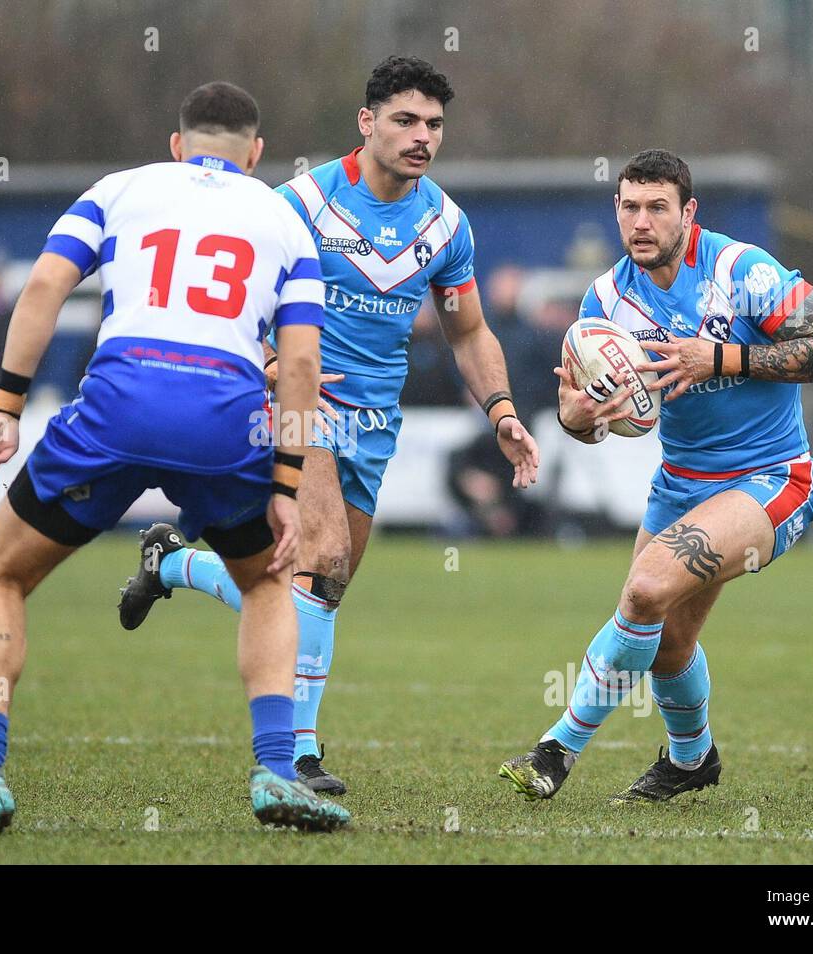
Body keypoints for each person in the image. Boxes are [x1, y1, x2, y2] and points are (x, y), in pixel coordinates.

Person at [0, 81, 349, 833]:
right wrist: (285, 483)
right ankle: (276, 772)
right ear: (258, 153)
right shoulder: (285, 220)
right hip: (224, 414)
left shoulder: (120, 189)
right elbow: (301, 367)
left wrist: (7, 408)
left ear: (177, 145)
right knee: (270, 584)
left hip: (119, 400)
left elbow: (45, 282)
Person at [116, 56, 541, 796]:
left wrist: (501, 413)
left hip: (375, 424)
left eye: (434, 125)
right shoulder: (300, 202)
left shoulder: (445, 223)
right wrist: (267, 361)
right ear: (366, 122)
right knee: (325, 559)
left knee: (316, 587)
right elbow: (226, 297)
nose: (421, 137)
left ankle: (172, 564)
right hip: (297, 409)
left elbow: (469, 332)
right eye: (405, 120)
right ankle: (297, 758)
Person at [499, 149, 813, 803]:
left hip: (771, 479)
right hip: (680, 483)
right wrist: (581, 414)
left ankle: (555, 749)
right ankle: (692, 760)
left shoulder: (739, 270)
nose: (642, 222)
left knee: (642, 592)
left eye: (657, 208)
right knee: (666, 642)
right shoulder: (605, 300)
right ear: (617, 211)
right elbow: (582, 416)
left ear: (687, 213)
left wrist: (719, 356)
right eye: (630, 207)